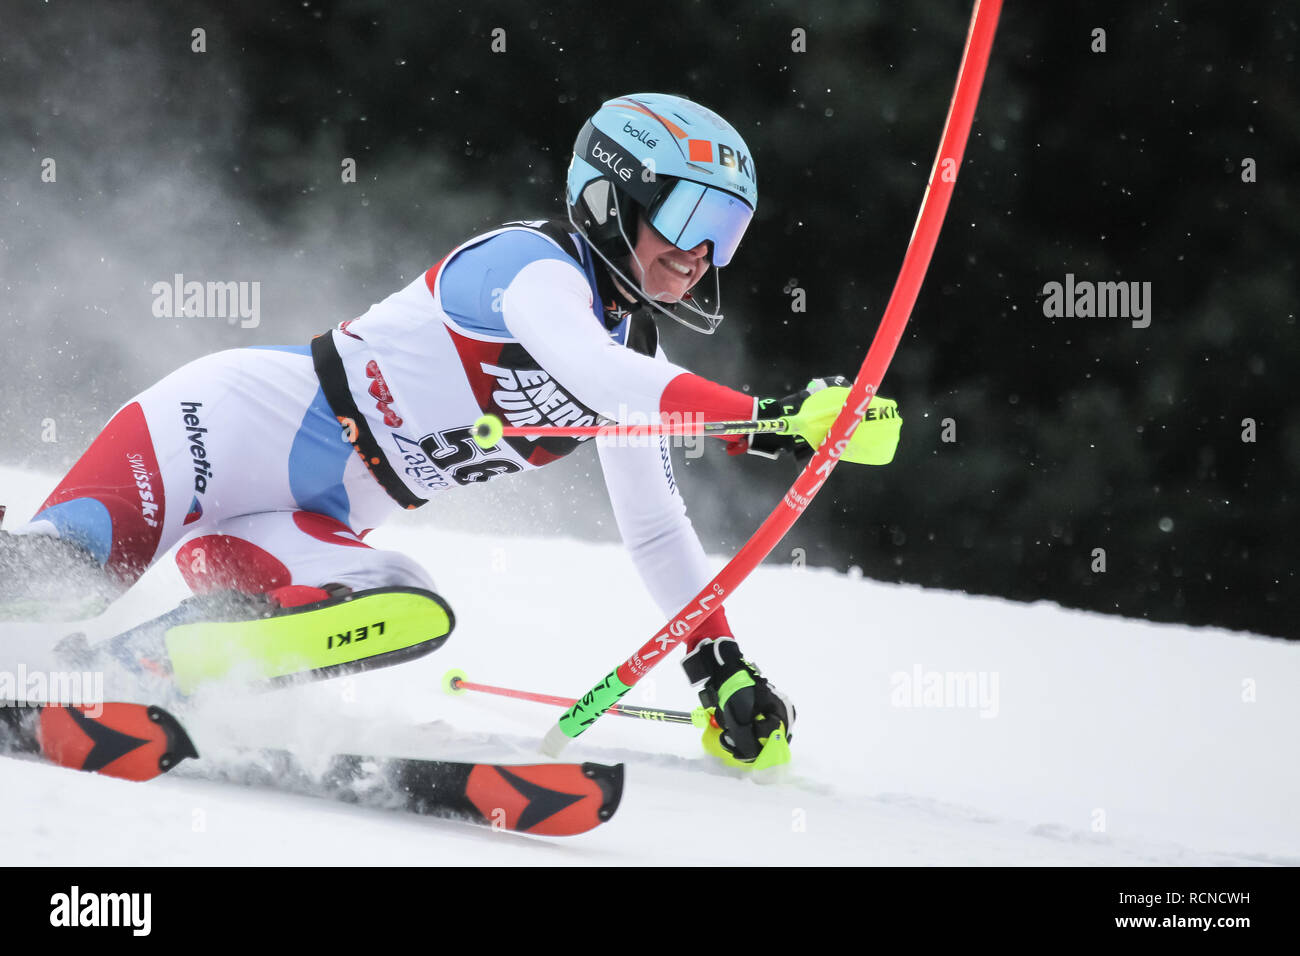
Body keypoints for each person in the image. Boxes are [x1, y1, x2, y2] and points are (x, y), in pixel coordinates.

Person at [0, 93, 900, 766]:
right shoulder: (531, 267)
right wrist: (765, 419)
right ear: (611, 195)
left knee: (402, 609)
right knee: (56, 578)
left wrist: (718, 669)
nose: (701, 253)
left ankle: (126, 672)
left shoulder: (637, 345)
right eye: (689, 216)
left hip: (302, 524)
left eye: (727, 232)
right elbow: (595, 375)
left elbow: (657, 526)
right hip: (215, 433)